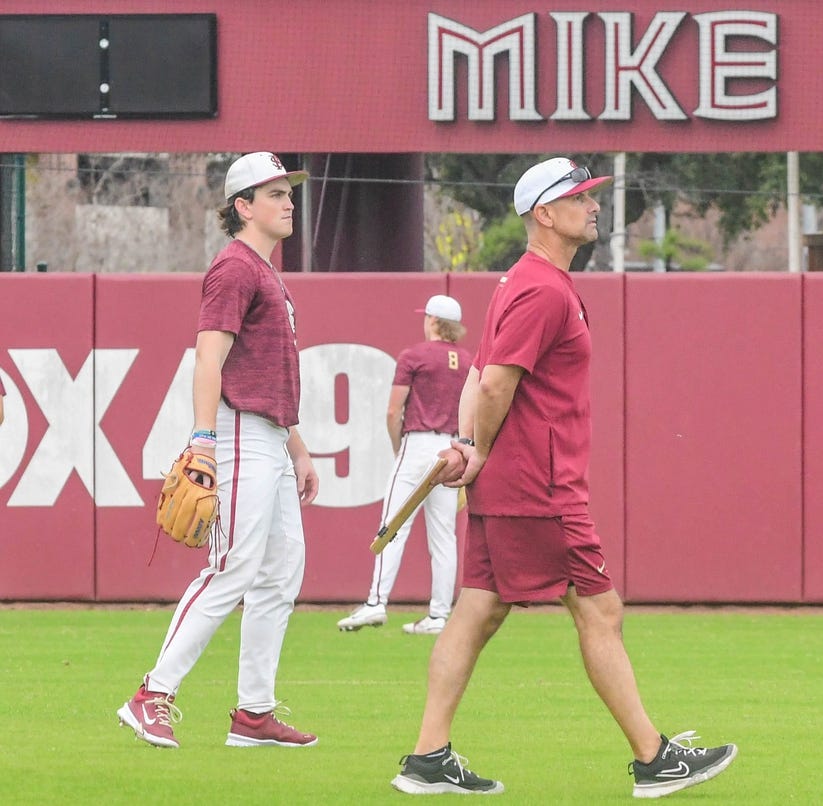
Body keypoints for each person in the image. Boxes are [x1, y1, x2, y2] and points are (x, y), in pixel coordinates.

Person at [389, 158, 737, 798]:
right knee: (600, 609)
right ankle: (653, 760)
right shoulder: (543, 289)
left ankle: (427, 756)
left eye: (590, 196)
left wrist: (469, 448)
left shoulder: (523, 283)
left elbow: (479, 377)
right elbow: (491, 381)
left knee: (478, 610)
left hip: (517, 483)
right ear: (543, 214)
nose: (593, 205)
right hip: (538, 487)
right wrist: (480, 450)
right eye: (578, 197)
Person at [117, 152, 320, 749]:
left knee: (282, 572)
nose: (288, 201)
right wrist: (204, 440)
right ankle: (151, 694)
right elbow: (209, 358)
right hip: (235, 433)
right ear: (242, 206)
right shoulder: (234, 267)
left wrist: (298, 448)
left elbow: (270, 375)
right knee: (229, 568)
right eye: (274, 192)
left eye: (288, 191)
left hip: (271, 436)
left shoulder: (265, 271)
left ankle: (253, 714)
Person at [338, 295, 472, 635]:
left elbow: (392, 411)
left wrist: (399, 448)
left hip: (418, 444)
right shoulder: (469, 361)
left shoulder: (414, 356)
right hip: (452, 448)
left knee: (393, 525)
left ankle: (375, 603)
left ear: (432, 320)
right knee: (444, 536)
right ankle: (439, 615)